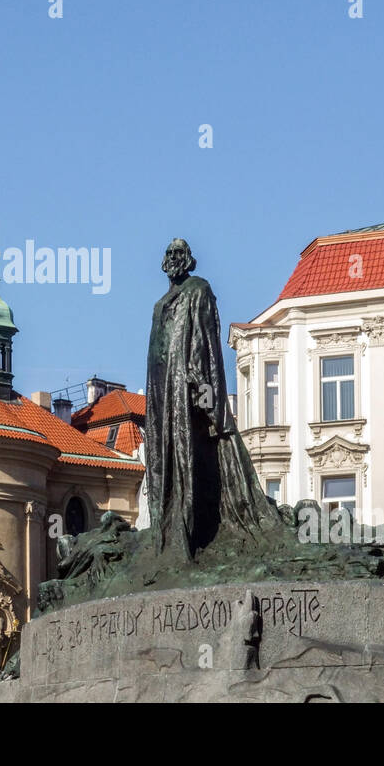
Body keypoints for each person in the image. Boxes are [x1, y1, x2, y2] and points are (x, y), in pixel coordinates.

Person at [145, 239, 274, 559]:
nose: (173, 258)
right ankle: (167, 526)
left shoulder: (198, 289)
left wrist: (203, 392)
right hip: (161, 388)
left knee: (189, 451)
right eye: (169, 253)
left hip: (186, 386)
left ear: (188, 259)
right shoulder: (160, 305)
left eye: (179, 253)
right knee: (166, 453)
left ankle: (189, 528)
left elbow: (204, 342)